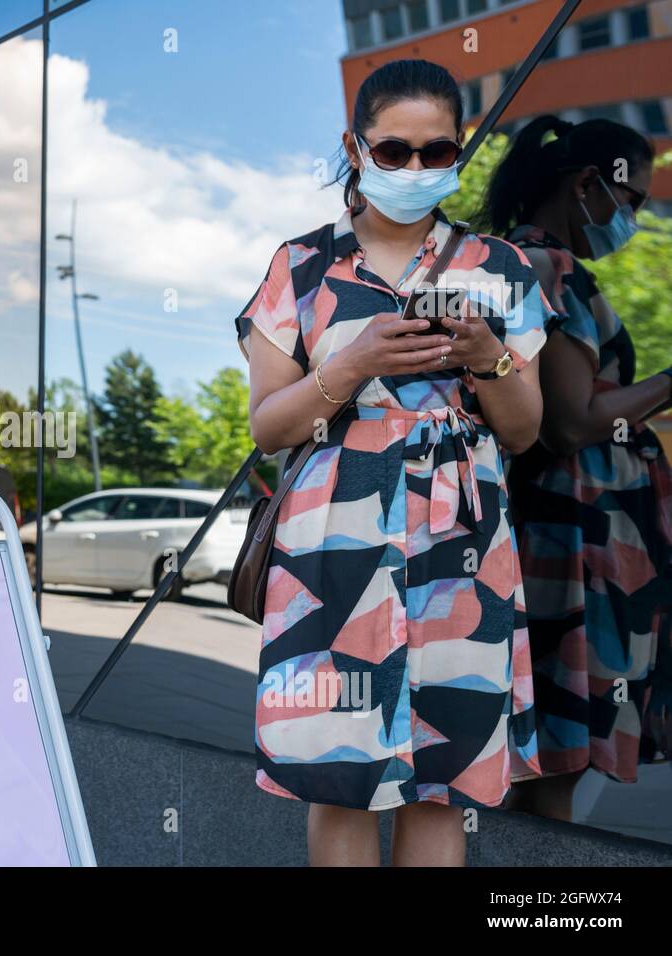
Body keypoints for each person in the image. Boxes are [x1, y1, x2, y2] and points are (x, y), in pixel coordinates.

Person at [237, 59, 554, 866]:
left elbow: (523, 432)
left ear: (457, 155)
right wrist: (349, 366)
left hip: (463, 543)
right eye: (393, 151)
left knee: (443, 782)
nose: (415, 169)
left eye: (435, 151)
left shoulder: (501, 267)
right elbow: (270, 428)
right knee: (337, 777)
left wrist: (489, 358)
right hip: (331, 544)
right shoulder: (302, 265)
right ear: (355, 146)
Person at [482, 115, 672, 820]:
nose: (635, 219)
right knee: (553, 766)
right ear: (589, 184)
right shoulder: (544, 265)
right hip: (570, 546)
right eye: (635, 202)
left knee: (544, 762)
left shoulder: (519, 262)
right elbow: (570, 422)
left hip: (565, 537)